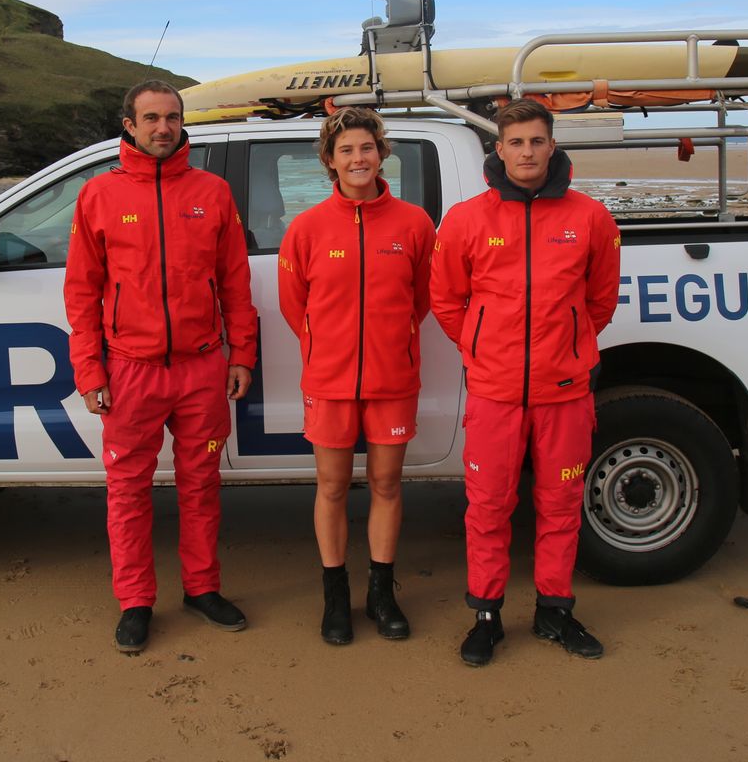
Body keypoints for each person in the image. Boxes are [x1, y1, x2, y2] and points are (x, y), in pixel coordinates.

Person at [64, 79, 260, 654]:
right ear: (129, 124)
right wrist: (90, 372)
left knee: (202, 485)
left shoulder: (212, 192)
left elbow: (234, 284)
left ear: (182, 123)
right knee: (128, 490)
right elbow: (81, 294)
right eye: (150, 118)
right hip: (131, 370)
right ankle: (135, 601)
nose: (163, 128)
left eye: (171, 117)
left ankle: (202, 588)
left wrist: (241, 353)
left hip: (201, 370)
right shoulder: (99, 195)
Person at [429, 99, 621, 666]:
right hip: (494, 393)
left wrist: (568, 343)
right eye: (516, 142)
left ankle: (554, 611)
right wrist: (484, 348)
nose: (527, 152)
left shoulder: (590, 217)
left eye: (537, 141)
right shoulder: (466, 219)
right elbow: (445, 299)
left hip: (564, 392)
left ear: (552, 145)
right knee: (488, 506)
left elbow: (600, 300)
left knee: (560, 503)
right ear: (500, 149)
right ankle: (487, 616)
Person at [277, 108, 435, 645]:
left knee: (387, 485)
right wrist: (332, 349)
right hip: (330, 382)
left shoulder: (414, 224)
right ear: (329, 161)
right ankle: (336, 597)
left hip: (393, 380)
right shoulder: (307, 228)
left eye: (366, 147)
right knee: (332, 487)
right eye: (346, 151)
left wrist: (390, 343)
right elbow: (294, 305)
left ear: (381, 153)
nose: (357, 158)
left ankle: (382, 593)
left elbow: (422, 299)